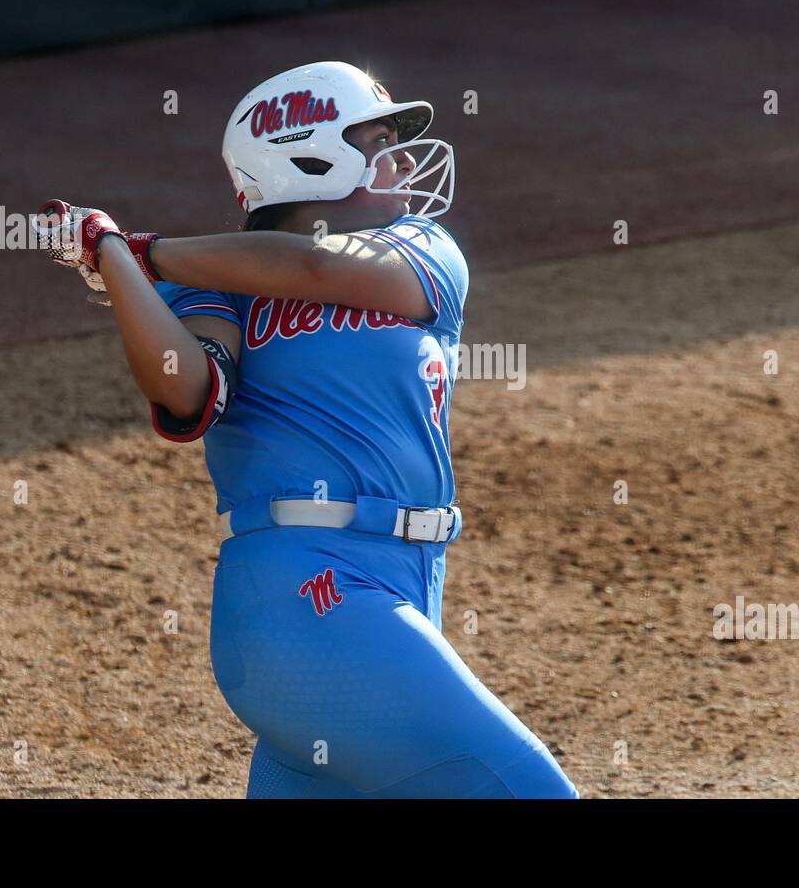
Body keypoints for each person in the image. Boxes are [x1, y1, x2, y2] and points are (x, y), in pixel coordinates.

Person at [32, 61, 579, 798]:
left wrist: (145, 251)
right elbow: (184, 392)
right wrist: (118, 264)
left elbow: (315, 266)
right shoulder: (211, 283)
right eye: (377, 140)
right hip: (305, 598)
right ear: (312, 156)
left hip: (406, 585)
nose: (403, 159)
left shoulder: (427, 247)